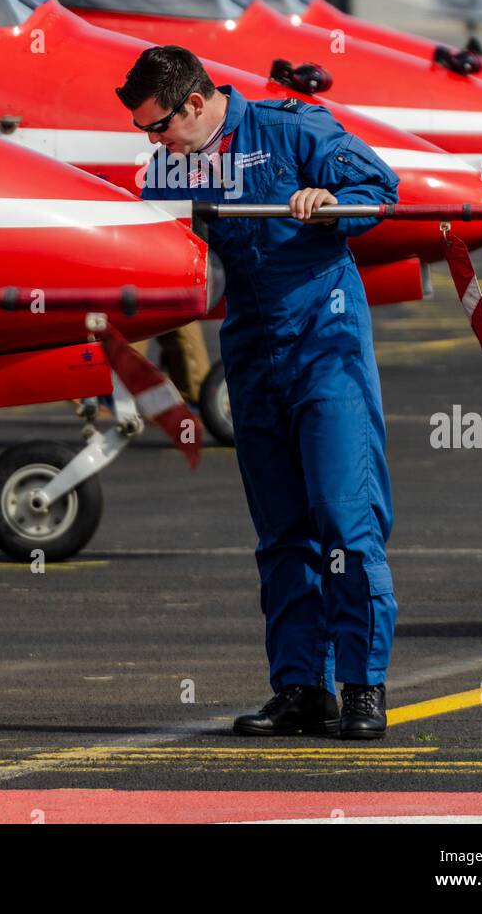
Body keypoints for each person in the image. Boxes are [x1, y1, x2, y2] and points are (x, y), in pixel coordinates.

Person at [116, 45, 400, 740]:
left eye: (157, 127)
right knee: (279, 532)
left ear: (192, 103)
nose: (153, 143)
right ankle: (301, 687)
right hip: (249, 349)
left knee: (343, 518)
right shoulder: (170, 164)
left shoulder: (294, 129)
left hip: (323, 341)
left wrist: (331, 204)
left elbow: (379, 190)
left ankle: (362, 687)